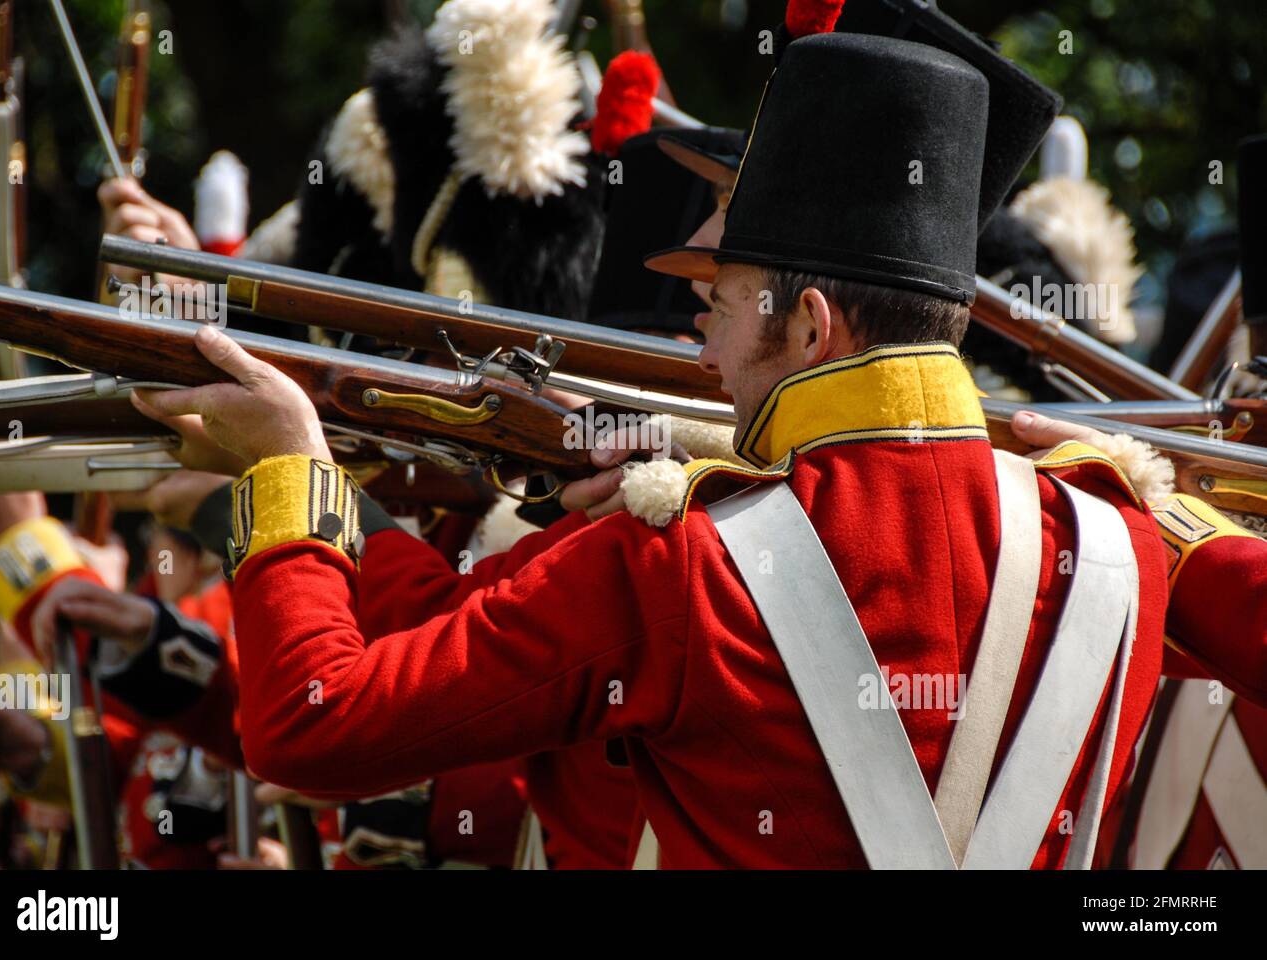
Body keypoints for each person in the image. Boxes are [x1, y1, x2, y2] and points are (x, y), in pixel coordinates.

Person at [126, 31, 1178, 869]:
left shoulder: (681, 562)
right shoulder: (1124, 538)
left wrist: (283, 474)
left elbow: (316, 725)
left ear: (811, 327)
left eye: (718, 305)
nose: (698, 343)